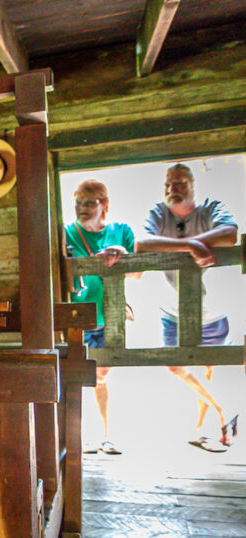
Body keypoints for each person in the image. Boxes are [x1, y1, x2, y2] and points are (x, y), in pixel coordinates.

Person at [137, 163, 239, 452]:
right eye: (168, 185)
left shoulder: (210, 208)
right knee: (175, 365)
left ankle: (200, 430)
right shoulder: (158, 212)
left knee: (208, 369)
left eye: (179, 183)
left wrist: (190, 242)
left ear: (193, 184)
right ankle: (224, 411)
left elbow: (229, 233)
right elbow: (141, 242)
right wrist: (193, 247)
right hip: (172, 308)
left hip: (214, 307)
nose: (172, 189)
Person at [65, 179, 135, 455]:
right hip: (75, 318)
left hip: (108, 317)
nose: (82, 208)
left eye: (89, 202)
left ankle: (107, 434)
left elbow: (137, 272)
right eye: (78, 202)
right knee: (76, 378)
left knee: (101, 374)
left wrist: (123, 254)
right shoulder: (66, 233)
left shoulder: (121, 231)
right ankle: (84, 436)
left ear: (104, 204)